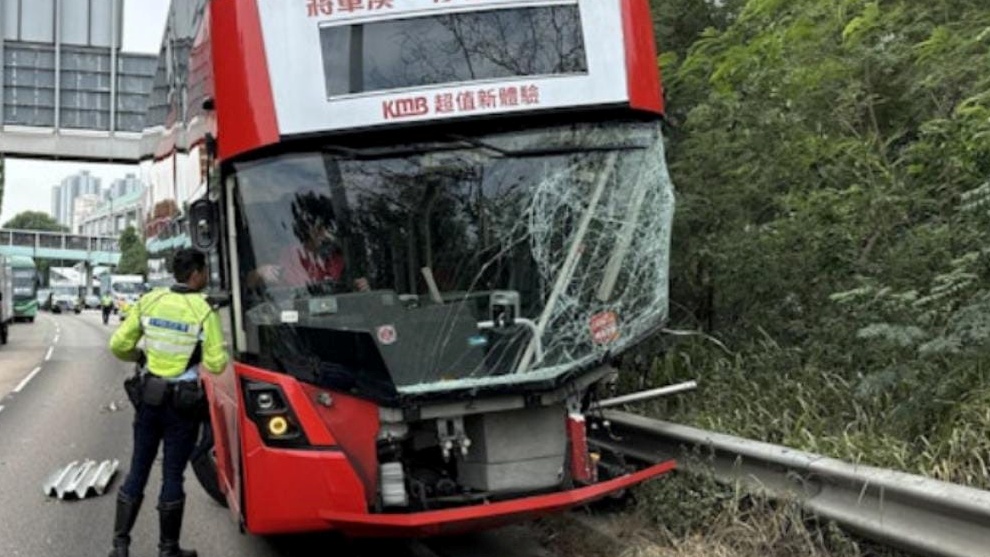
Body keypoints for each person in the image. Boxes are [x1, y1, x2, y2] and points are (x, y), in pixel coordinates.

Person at [107, 248, 228, 557]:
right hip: (182, 405)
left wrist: (143, 356)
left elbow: (119, 344)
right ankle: (168, 549)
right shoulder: (203, 310)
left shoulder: (150, 300)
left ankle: (120, 547)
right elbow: (215, 364)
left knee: (138, 471)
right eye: (204, 273)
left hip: (149, 398)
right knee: (173, 475)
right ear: (197, 273)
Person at [248, 192, 369, 292]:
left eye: (327, 227)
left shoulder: (340, 260)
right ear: (306, 228)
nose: (324, 233)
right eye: (319, 227)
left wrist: (364, 288)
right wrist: (259, 274)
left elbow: (352, 292)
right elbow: (247, 285)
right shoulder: (287, 255)